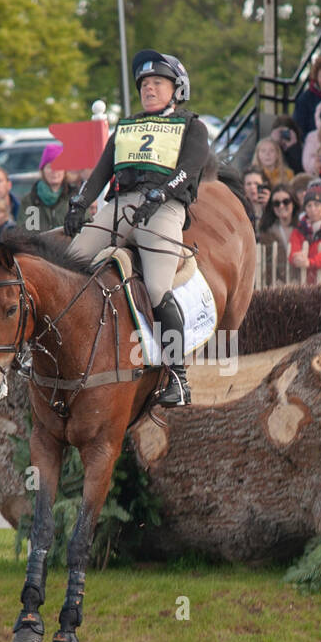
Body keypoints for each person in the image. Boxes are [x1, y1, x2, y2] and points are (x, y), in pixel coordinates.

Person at [65, 48, 209, 406]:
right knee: (69, 265)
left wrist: (160, 194)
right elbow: (101, 171)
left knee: (159, 288)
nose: (148, 88)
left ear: (177, 89)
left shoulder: (192, 125)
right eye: (145, 83)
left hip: (163, 208)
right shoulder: (126, 126)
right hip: (121, 205)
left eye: (157, 82)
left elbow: (189, 170)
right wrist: (80, 203)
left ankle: (178, 376)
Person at [22, 142, 71, 233]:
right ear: (42, 170)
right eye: (49, 167)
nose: (54, 171)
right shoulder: (29, 200)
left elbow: (84, 232)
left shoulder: (75, 199)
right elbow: (23, 234)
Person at [257, 185, 297, 282]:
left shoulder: (304, 227)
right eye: (276, 203)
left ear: (293, 203)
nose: (281, 206)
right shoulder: (267, 233)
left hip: (306, 284)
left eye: (286, 201)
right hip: (278, 286)